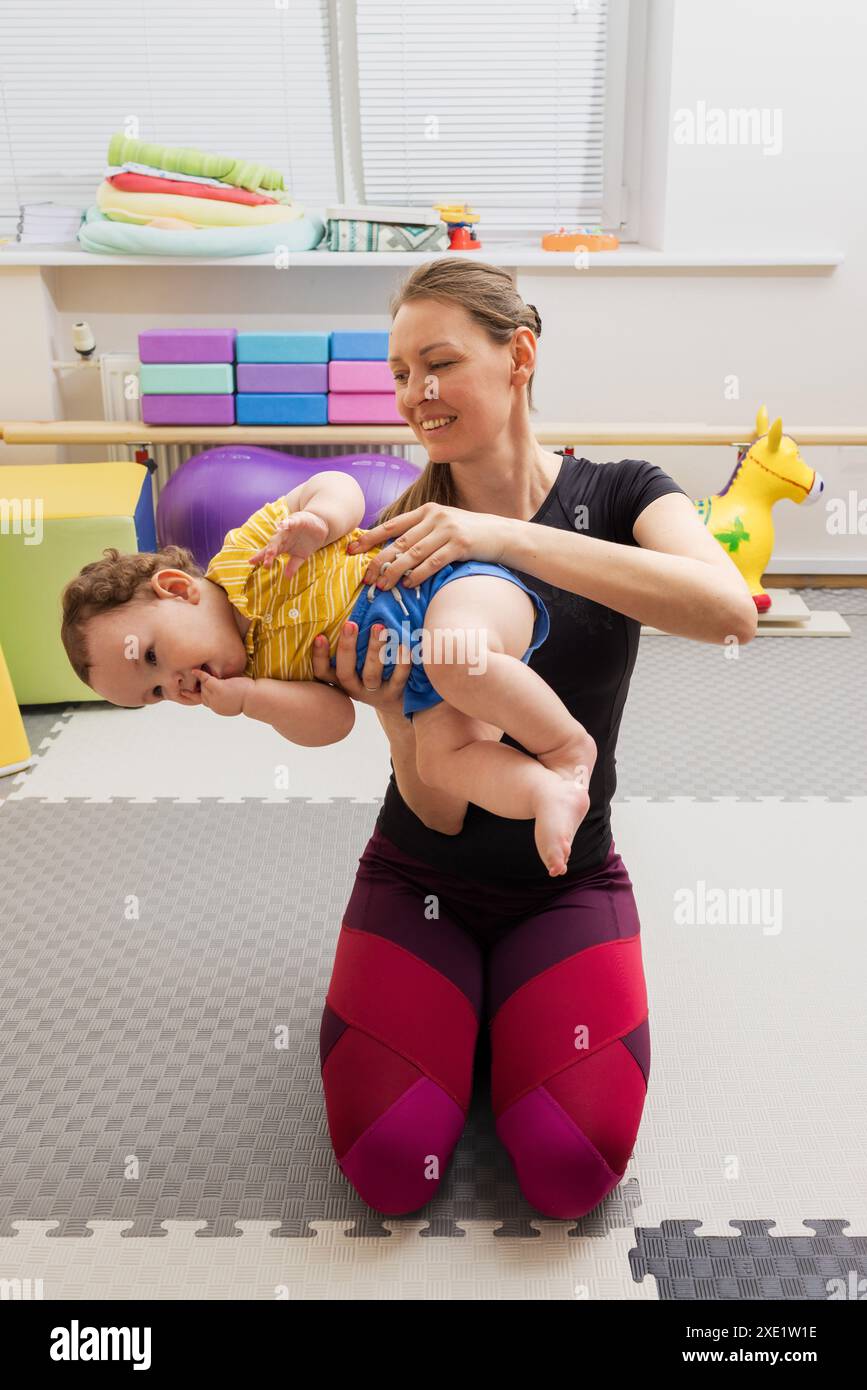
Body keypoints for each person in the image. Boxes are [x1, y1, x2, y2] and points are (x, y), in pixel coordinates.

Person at [312, 258, 757, 1218]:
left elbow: (729, 611)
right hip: (419, 870)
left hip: (568, 880)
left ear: (519, 356)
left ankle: (495, 1010)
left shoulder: (624, 491)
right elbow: (434, 793)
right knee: (393, 1171)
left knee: (569, 1173)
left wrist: (500, 538)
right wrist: (392, 710)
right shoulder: (401, 536)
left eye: (438, 362)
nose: (414, 395)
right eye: (397, 374)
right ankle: (463, 1005)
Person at [59, 467, 596, 876]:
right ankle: (546, 794)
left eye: (152, 658)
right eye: (154, 694)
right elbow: (334, 721)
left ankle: (569, 749)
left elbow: (338, 483)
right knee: (440, 763)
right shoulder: (261, 680)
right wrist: (250, 699)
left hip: (451, 588)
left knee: (452, 654)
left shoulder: (247, 557)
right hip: (424, 690)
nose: (173, 687)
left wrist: (319, 521)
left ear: (177, 589)